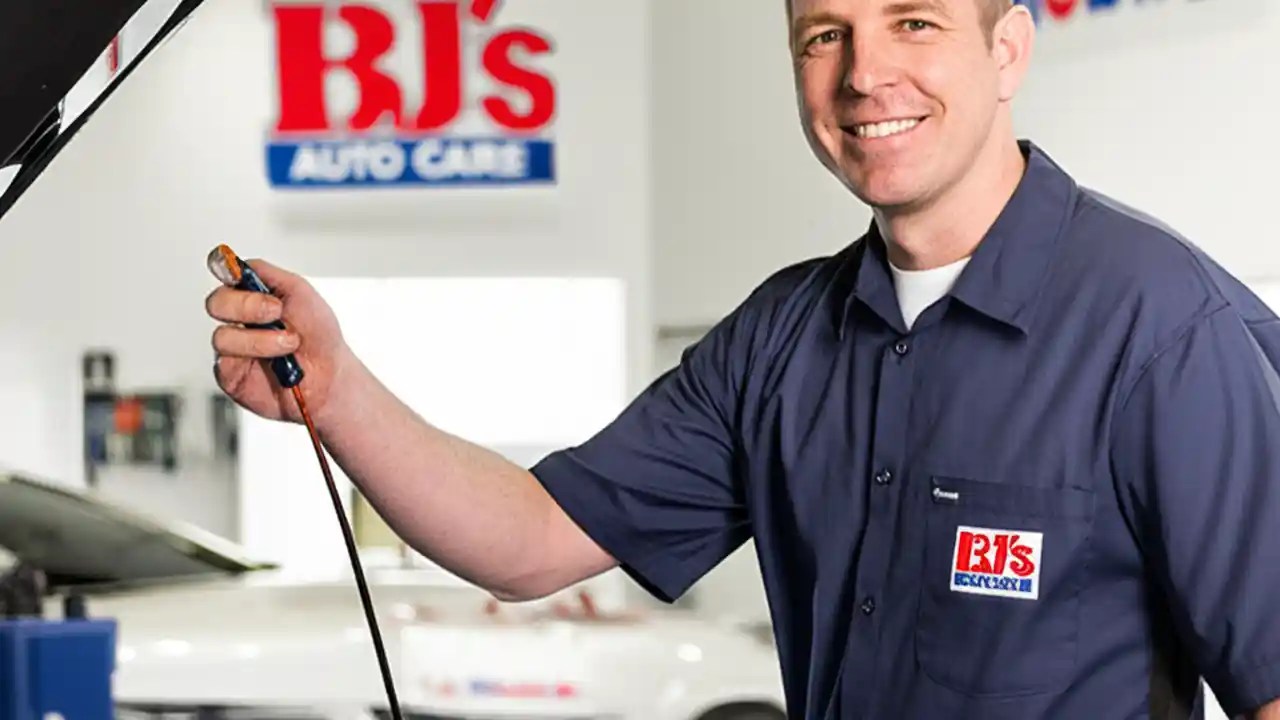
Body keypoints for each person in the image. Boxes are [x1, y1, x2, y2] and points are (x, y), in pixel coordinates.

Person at [205, 0, 1280, 718]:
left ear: (1006, 50)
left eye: (911, 21)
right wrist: (335, 394)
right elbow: (528, 539)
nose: (865, 74)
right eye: (823, 34)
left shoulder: (1160, 327)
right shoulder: (781, 339)